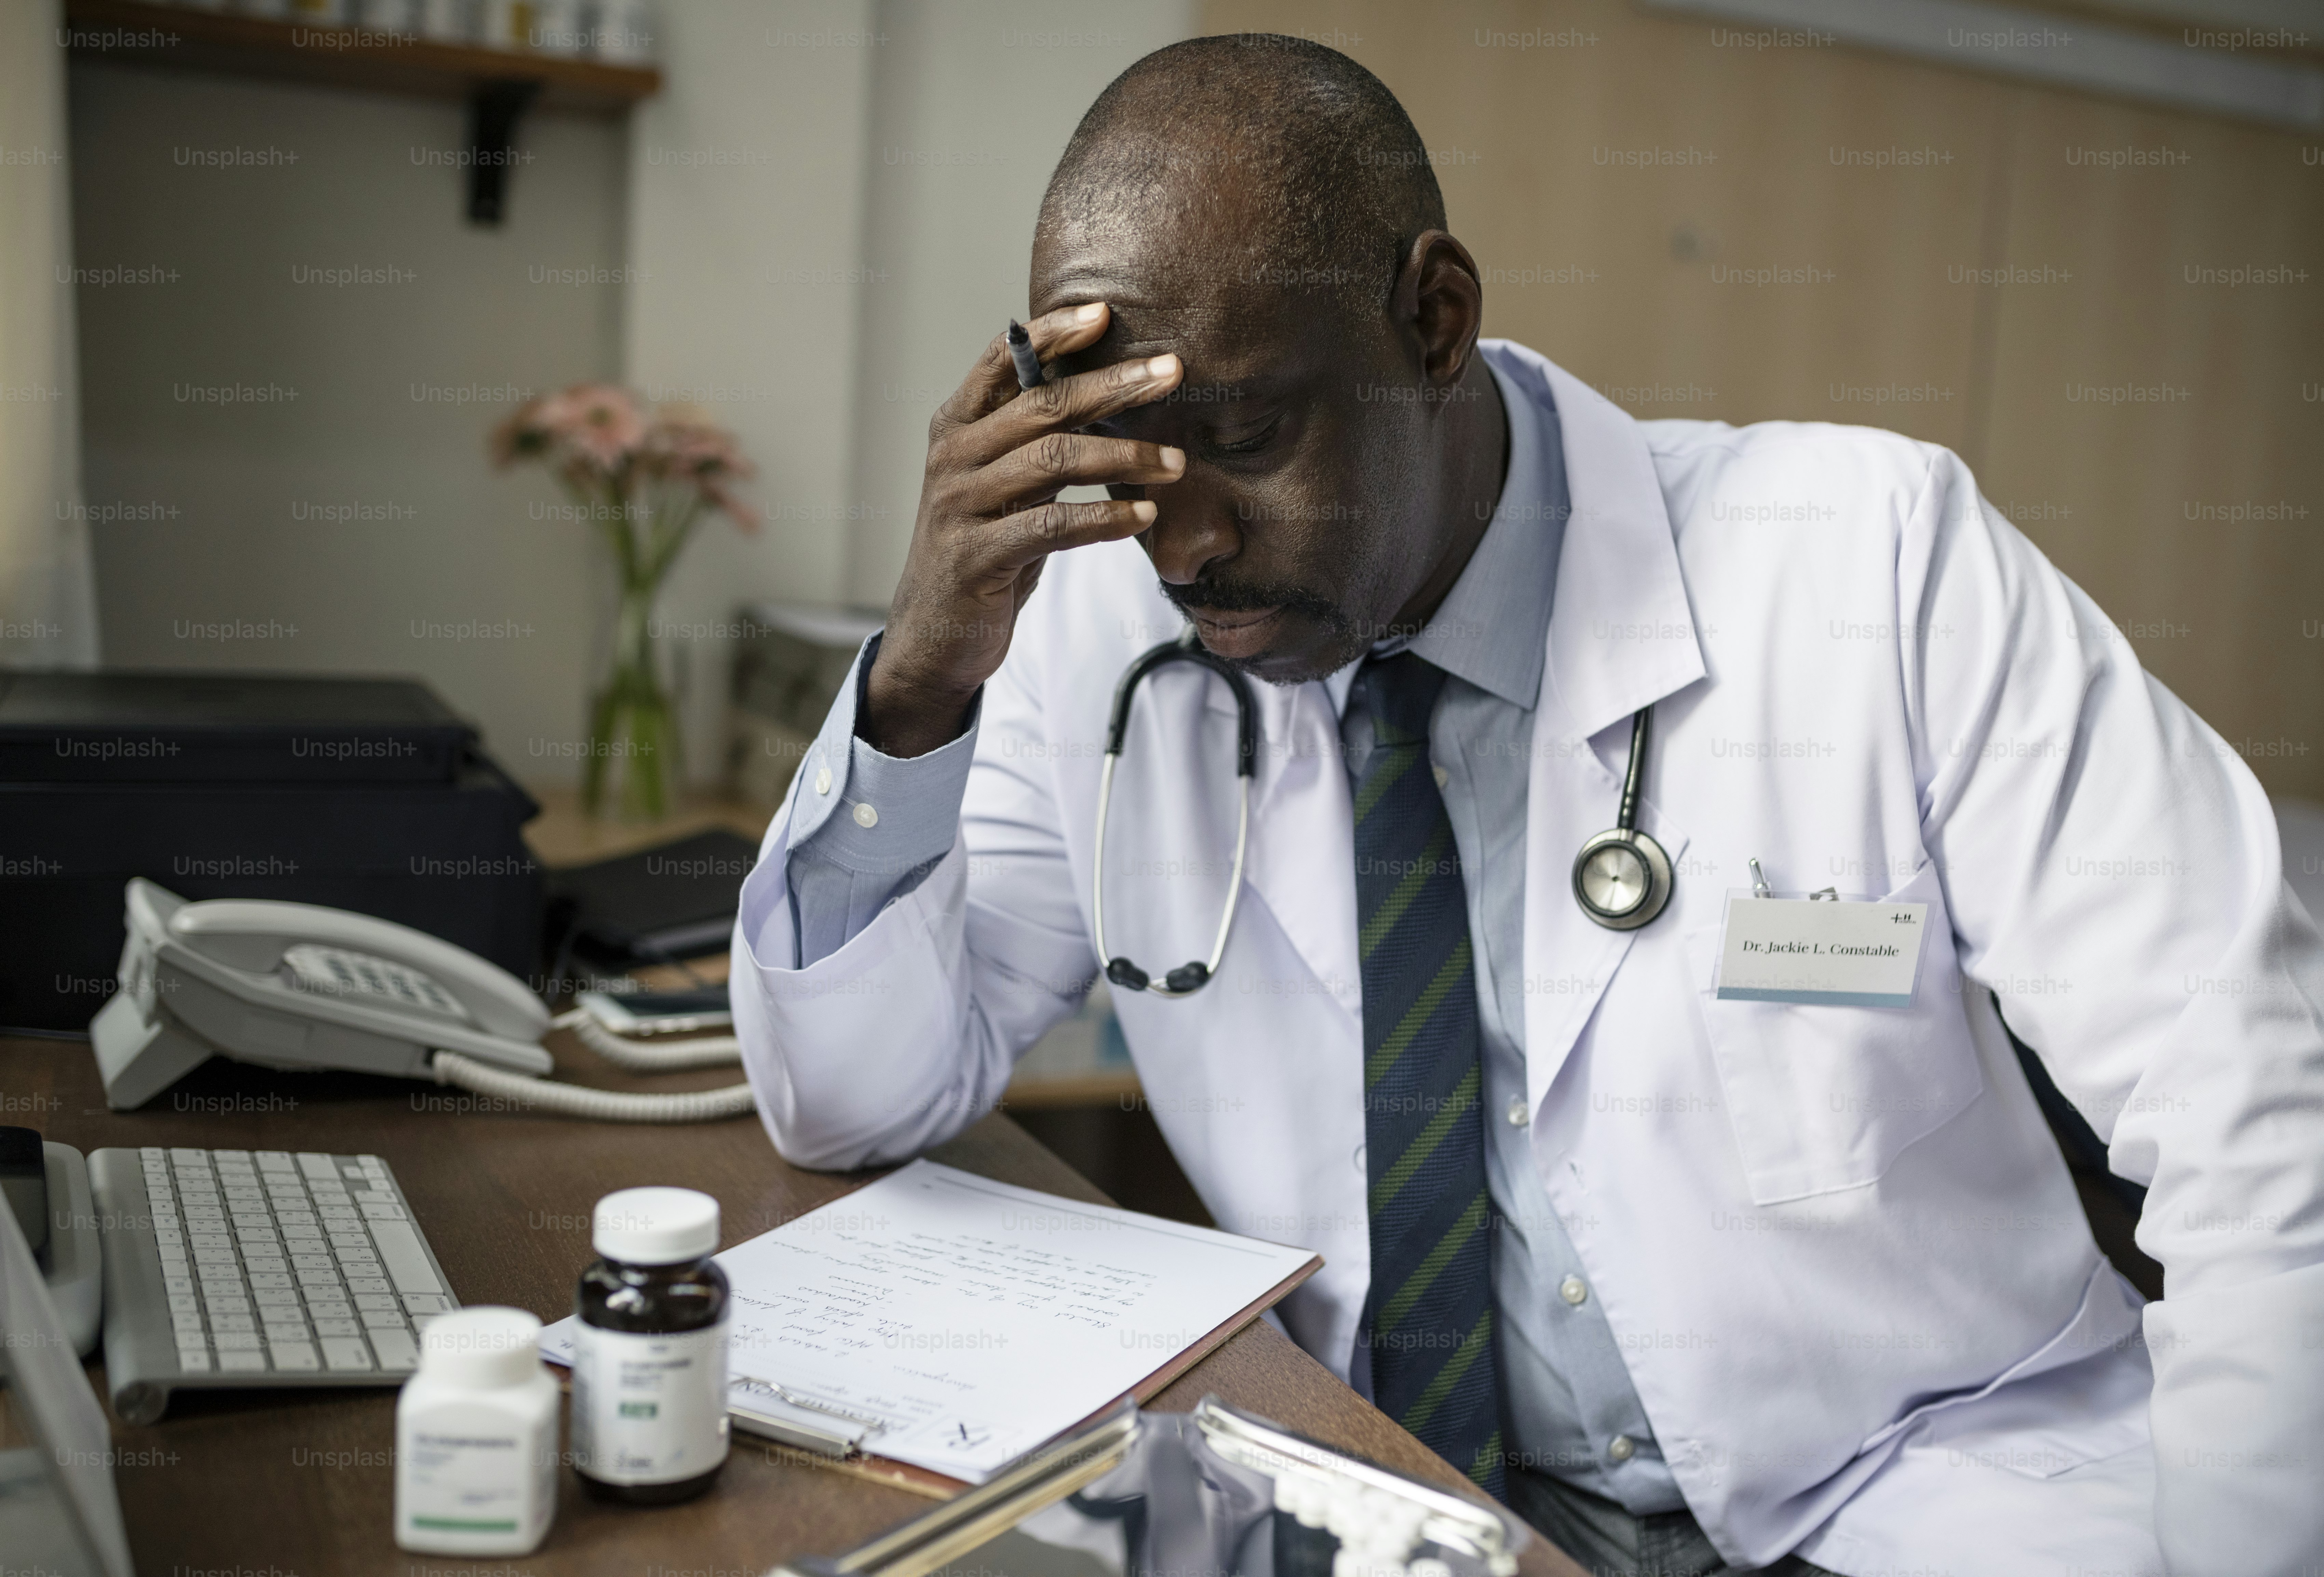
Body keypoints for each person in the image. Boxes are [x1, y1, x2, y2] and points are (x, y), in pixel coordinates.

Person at [730, 35, 2323, 1577]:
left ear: (1434, 321)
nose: (1184, 540)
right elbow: (851, 1104)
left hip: (1921, 1490)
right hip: (1402, 1501)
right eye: (1129, 459)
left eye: (1243, 435)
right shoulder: (1100, 641)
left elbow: (2264, 1116)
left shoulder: (1873, 567)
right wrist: (918, 687)